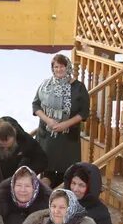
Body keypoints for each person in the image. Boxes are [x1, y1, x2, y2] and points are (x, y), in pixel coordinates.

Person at [33, 55, 90, 185]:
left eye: (62, 66)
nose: (59, 70)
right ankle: (46, 199)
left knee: (68, 173)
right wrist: (48, 120)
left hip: (68, 140)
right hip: (47, 138)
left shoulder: (78, 87)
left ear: (68, 67)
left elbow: (84, 112)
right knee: (47, 173)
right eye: (56, 67)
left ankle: (64, 200)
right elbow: (35, 105)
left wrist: (65, 124)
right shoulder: (45, 85)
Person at [0, 117, 51, 184]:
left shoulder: (24, 139)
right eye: (1, 147)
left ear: (15, 138)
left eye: (9, 147)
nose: (5, 150)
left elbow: (42, 160)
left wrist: (28, 172)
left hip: (19, 179)